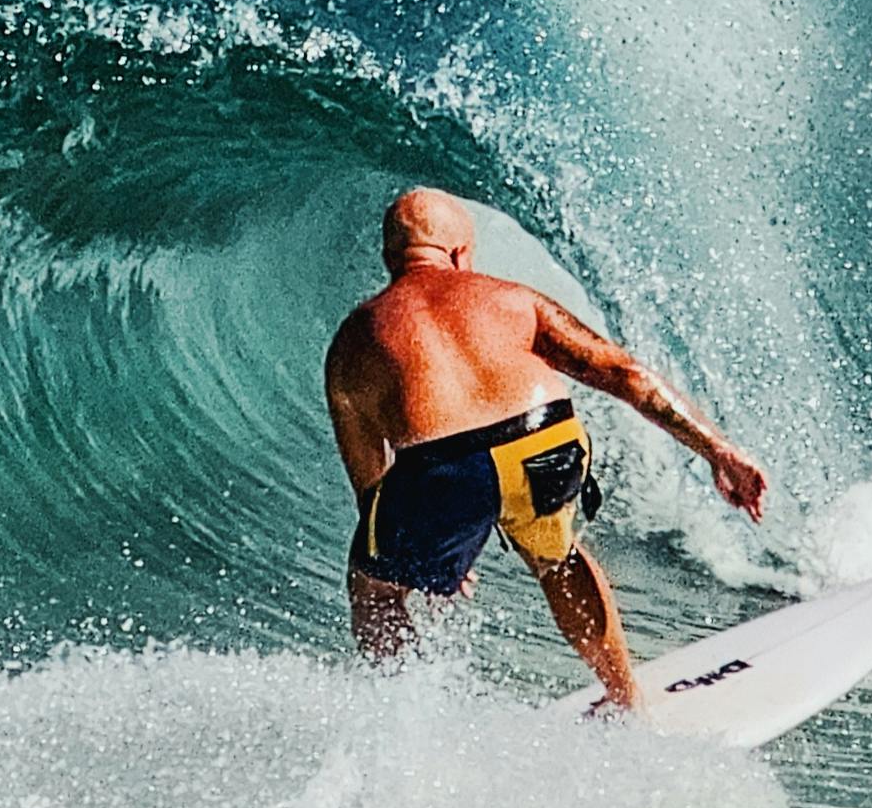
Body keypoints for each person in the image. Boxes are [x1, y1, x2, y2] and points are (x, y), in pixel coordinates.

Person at [325, 184, 768, 710]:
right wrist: (720, 452)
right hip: (548, 440)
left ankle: (412, 720)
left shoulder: (353, 340)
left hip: (447, 471)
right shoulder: (511, 298)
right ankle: (628, 703)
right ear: (461, 252)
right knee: (557, 555)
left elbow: (372, 487)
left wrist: (431, 549)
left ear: (388, 257)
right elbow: (626, 375)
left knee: (373, 587)